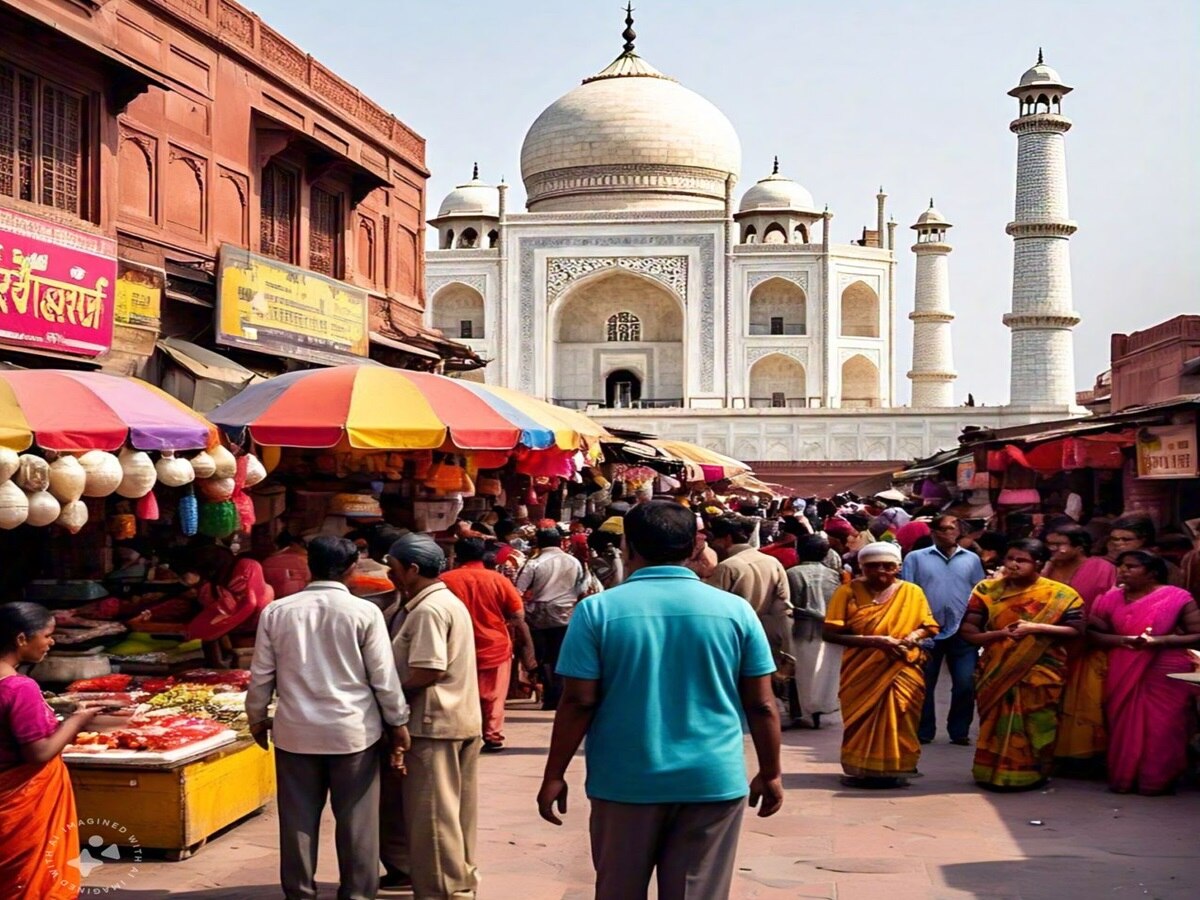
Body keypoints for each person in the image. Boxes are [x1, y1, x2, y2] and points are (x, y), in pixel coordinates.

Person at [538, 501, 782, 898]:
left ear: (628, 546)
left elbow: (578, 702)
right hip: (710, 779)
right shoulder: (735, 612)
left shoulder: (596, 612)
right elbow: (762, 704)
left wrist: (554, 773)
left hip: (625, 782)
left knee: (618, 889)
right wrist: (771, 771)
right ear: (692, 548)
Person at [245, 536, 410, 900]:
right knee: (357, 822)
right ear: (351, 569)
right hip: (353, 733)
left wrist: (256, 718)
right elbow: (383, 678)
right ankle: (358, 893)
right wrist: (398, 723)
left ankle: (300, 893)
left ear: (309, 567)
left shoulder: (278, 611)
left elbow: (261, 676)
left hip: (295, 733)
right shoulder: (364, 612)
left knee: (297, 820)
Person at [385, 533, 482, 898]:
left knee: (434, 820)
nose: (391, 576)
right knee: (456, 817)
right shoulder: (440, 603)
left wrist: (390, 696)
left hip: (435, 724)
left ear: (411, 569)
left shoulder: (428, 609)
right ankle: (460, 883)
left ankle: (446, 891)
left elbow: (429, 669)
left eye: (394, 569)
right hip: (455, 719)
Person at [960, 539, 1084, 791]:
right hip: (997, 666)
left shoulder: (1061, 594)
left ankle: (1033, 773)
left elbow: (1077, 630)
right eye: (1010, 559)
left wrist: (1035, 627)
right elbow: (968, 630)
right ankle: (989, 772)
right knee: (995, 719)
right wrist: (998, 635)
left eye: (1022, 560)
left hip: (1041, 668)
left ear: (1038, 563)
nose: (1013, 565)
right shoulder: (986, 590)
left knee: (1038, 719)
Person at [0, 603, 100, 899]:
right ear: (21, 639)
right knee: (30, 884)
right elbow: (40, 752)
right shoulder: (19, 688)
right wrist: (77, 721)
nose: (51, 642)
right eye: (47, 635)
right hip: (20, 804)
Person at [823, 542, 938, 787]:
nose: (881, 572)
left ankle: (899, 767)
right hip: (862, 669)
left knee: (902, 714)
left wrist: (914, 636)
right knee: (861, 718)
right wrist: (875, 641)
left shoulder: (912, 592)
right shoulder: (848, 591)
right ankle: (862, 770)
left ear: (898, 567)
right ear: (862, 567)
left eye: (888, 566)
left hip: (902, 666)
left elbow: (928, 625)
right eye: (873, 567)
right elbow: (830, 633)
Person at [1088, 550, 1200, 795]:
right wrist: (1122, 640)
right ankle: (1125, 778)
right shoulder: (1110, 598)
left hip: (1165, 668)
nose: (1123, 571)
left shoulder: (1177, 597)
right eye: (1121, 566)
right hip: (1123, 663)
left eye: (1132, 566)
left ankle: (1155, 781)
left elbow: (1197, 634)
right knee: (1121, 723)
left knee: (1164, 726)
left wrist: (1160, 640)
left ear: (1152, 573)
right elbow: (1093, 632)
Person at [441, 537, 537, 752]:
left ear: (456, 555)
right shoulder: (497, 580)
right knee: (493, 695)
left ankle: (463, 731)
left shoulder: (444, 580)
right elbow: (517, 614)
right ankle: (492, 734)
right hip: (495, 646)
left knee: (461, 692)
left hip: (456, 647)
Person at [901, 515, 986, 747]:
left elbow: (980, 592)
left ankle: (959, 731)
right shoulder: (915, 558)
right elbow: (907, 593)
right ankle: (924, 730)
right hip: (926, 630)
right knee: (924, 683)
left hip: (963, 629)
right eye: (945, 529)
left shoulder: (971, 560)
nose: (950, 533)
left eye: (954, 528)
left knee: (966, 682)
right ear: (934, 532)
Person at [1042, 524, 1117, 775]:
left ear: (1078, 546)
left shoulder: (1101, 568)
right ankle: (1052, 755)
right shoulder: (1048, 566)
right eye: (1050, 543)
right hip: (1050, 645)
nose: (1054, 549)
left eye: (1060, 544)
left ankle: (1087, 759)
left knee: (1087, 701)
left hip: (1088, 645)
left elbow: (1108, 606)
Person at [707, 513, 793, 669]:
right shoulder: (772, 561)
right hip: (766, 638)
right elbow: (783, 603)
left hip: (734, 639)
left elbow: (712, 609)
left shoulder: (727, 567)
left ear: (727, 538)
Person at [516, 527, 585, 711]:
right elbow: (581, 589)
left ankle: (550, 694)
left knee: (543, 656)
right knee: (560, 654)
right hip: (565, 614)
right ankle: (557, 694)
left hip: (539, 615)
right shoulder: (574, 562)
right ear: (560, 542)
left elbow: (518, 590)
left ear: (538, 543)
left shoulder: (534, 563)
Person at [184, 543, 275, 667]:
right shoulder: (217, 579)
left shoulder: (248, 565)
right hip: (238, 615)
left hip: (256, 615)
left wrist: (220, 627)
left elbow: (250, 603)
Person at [786, 534, 843, 729]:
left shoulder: (792, 573)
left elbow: (788, 604)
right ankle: (820, 709)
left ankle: (806, 711)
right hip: (830, 633)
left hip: (801, 632)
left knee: (804, 673)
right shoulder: (834, 574)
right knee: (826, 673)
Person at [1105, 513, 1184, 585]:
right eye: (1114, 539)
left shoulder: (1163, 567)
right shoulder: (1110, 563)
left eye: (1126, 539)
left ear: (1143, 540)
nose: (1118, 543)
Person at [260, 531, 311, 599]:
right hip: (300, 600)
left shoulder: (265, 563)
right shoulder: (304, 560)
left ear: (276, 545)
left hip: (276, 603)